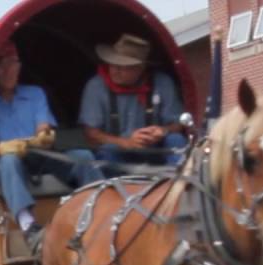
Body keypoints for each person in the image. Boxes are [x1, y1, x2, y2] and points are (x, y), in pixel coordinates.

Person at [0, 42, 103, 236]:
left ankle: (102, 208)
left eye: (12, 64)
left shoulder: (34, 93)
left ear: (19, 66)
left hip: (40, 154)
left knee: (82, 155)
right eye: (0, 66)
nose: (7, 71)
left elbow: (43, 125)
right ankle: (27, 224)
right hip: (12, 160)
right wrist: (4, 148)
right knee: (8, 162)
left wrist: (43, 136)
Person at [78, 33, 187, 167]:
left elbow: (179, 124)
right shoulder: (96, 86)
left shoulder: (162, 82)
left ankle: (177, 184)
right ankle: (112, 186)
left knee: (176, 139)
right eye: (112, 64)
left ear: (140, 68)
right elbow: (91, 135)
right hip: (117, 154)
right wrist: (127, 143)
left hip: (155, 151)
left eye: (122, 66)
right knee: (106, 151)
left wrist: (161, 131)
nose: (115, 70)